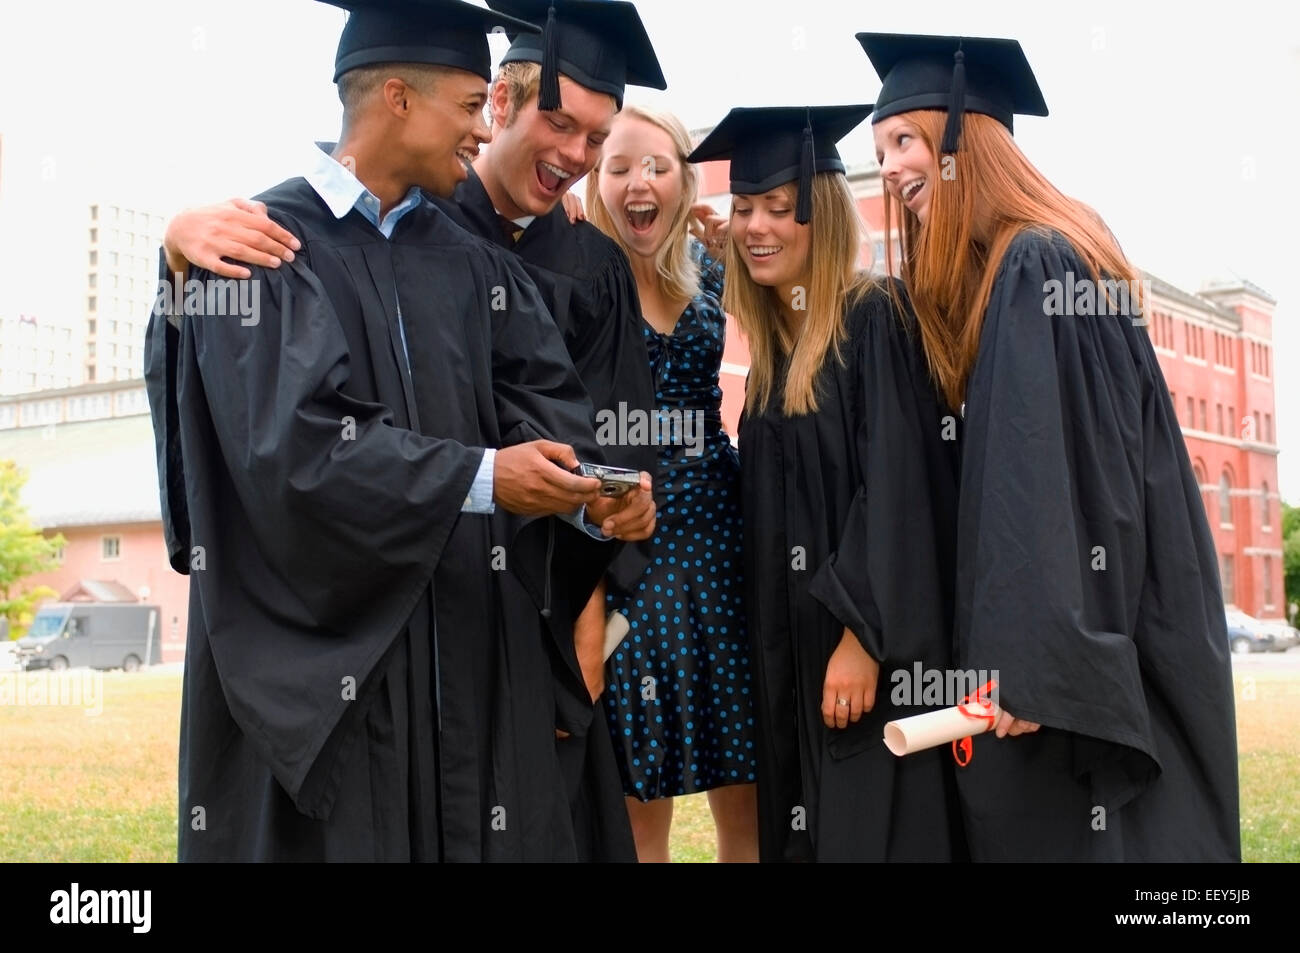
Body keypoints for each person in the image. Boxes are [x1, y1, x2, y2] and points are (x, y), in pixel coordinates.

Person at [144, 0, 653, 862]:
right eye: (470, 104)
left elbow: (550, 415)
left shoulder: (474, 262)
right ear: (398, 99)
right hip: (336, 674)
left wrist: (593, 500)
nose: (481, 128)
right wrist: (487, 479)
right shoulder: (263, 247)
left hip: (472, 659)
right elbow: (293, 456)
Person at [862, 32, 1240, 860]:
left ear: (971, 150)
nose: (887, 167)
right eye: (879, 147)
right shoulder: (1040, 261)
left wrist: (1035, 658)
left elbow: (1052, 478)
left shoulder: (1035, 261)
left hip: (1079, 647)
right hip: (1116, 627)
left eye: (905, 140)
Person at [687, 105, 965, 862]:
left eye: (780, 208)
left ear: (826, 217)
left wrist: (863, 636)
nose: (756, 226)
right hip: (788, 657)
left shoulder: (876, 317)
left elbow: (903, 484)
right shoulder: (777, 357)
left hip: (861, 656)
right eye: (744, 209)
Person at [582, 105, 758, 862]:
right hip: (631, 552)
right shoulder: (578, 281)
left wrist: (737, 246)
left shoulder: (715, 271)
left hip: (723, 542)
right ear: (597, 183)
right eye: (618, 167)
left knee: (745, 785)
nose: (637, 181)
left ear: (684, 181)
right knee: (638, 796)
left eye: (656, 165)